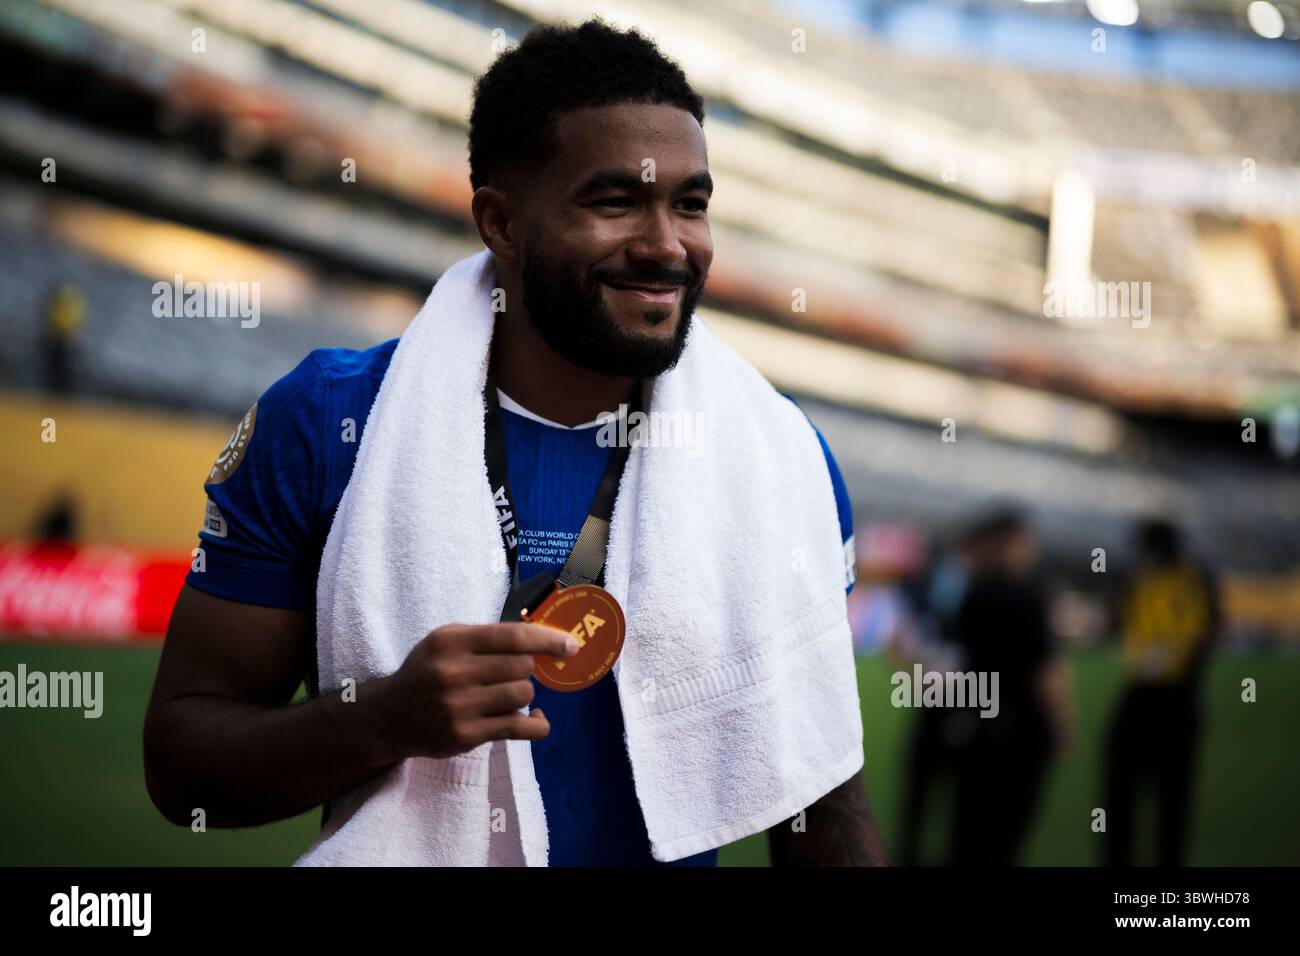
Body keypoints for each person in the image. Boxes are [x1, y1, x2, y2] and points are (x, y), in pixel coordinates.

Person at [144, 19, 885, 867]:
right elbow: (181, 767)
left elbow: (825, 801)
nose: (667, 245)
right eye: (615, 201)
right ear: (500, 222)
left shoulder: (781, 457)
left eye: (690, 203)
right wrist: (380, 720)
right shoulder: (327, 421)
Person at [947, 507, 1074, 865]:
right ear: (1013, 543)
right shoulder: (1028, 597)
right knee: (1006, 838)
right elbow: (1045, 670)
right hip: (1022, 735)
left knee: (969, 835)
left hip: (978, 728)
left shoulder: (974, 595)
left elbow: (964, 665)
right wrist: (1062, 725)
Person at [1102, 517, 1219, 866]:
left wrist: (1175, 660)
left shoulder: (1190, 579)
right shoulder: (1136, 581)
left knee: (1173, 798)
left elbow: (1203, 632)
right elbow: (1120, 623)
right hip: (1138, 694)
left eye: (1143, 547)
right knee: (1119, 789)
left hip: (1176, 698)